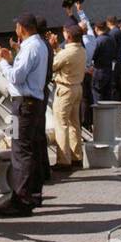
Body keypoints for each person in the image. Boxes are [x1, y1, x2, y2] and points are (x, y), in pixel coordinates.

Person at [0, 13, 49, 216]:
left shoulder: (30, 47)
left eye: (17, 26)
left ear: (22, 29)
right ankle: (33, 194)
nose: (16, 29)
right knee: (31, 148)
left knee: (20, 150)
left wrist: (2, 62)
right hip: (33, 104)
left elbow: (16, 77)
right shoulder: (39, 45)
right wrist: (10, 58)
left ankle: (21, 201)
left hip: (22, 105)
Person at [50, 23, 87, 168]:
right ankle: (77, 156)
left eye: (65, 34)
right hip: (77, 88)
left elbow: (52, 65)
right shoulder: (81, 50)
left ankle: (63, 160)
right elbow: (65, 58)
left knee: (61, 124)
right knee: (74, 124)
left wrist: (52, 48)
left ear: (69, 37)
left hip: (65, 89)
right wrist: (57, 49)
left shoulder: (66, 53)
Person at [92, 17, 121, 101]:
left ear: (96, 28)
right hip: (109, 69)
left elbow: (93, 56)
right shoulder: (112, 39)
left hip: (99, 70)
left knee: (97, 94)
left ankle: (99, 114)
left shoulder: (98, 41)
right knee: (107, 95)